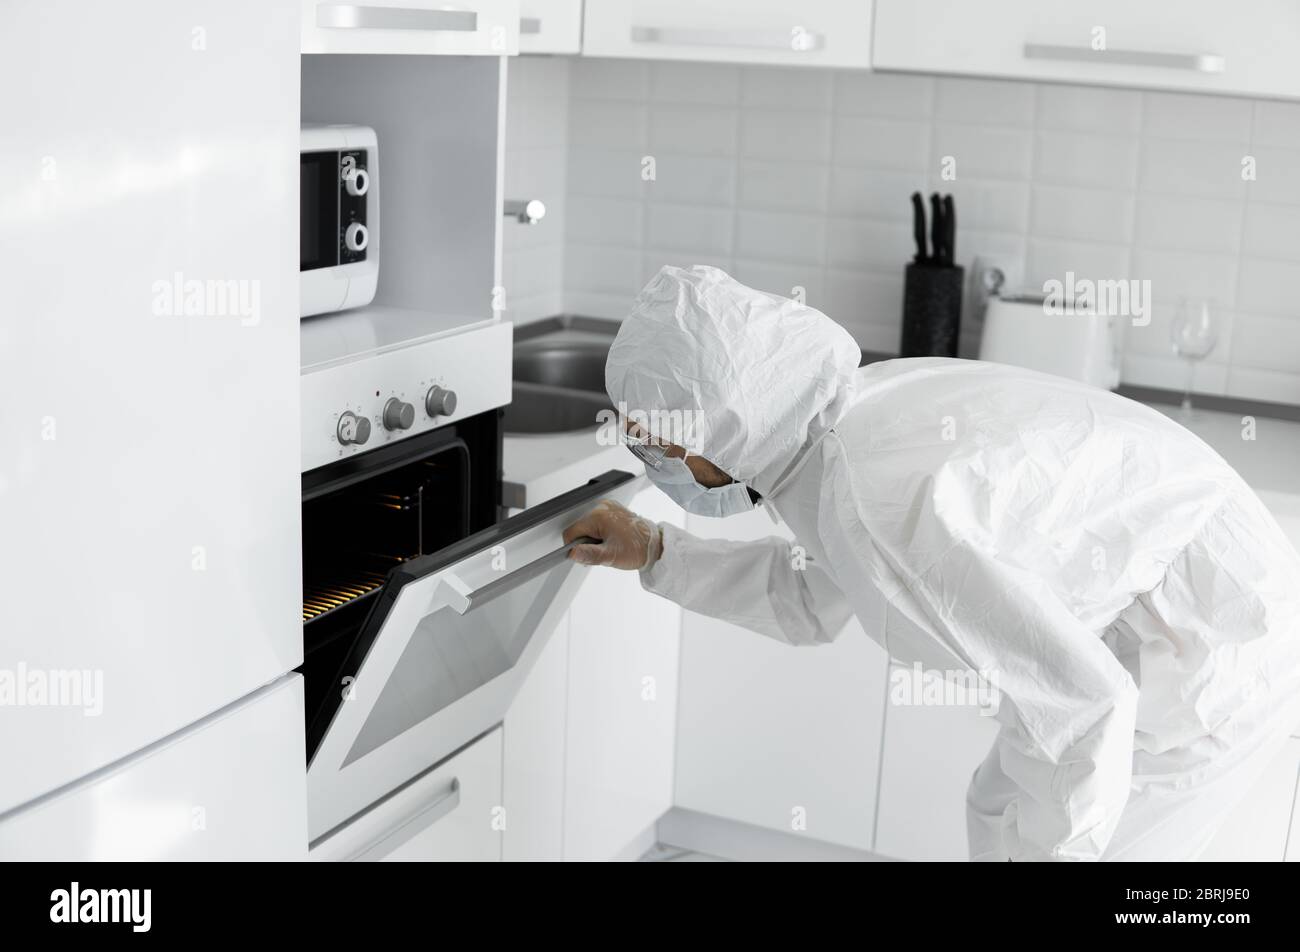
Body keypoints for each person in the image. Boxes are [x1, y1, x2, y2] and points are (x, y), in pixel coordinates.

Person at [563, 264, 1300, 862]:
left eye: (653, 441)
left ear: (718, 426)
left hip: (1206, 642)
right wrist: (657, 550)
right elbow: (813, 595)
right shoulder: (832, 428)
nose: (651, 461)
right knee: (999, 808)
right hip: (1122, 620)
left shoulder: (879, 504)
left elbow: (1089, 708)